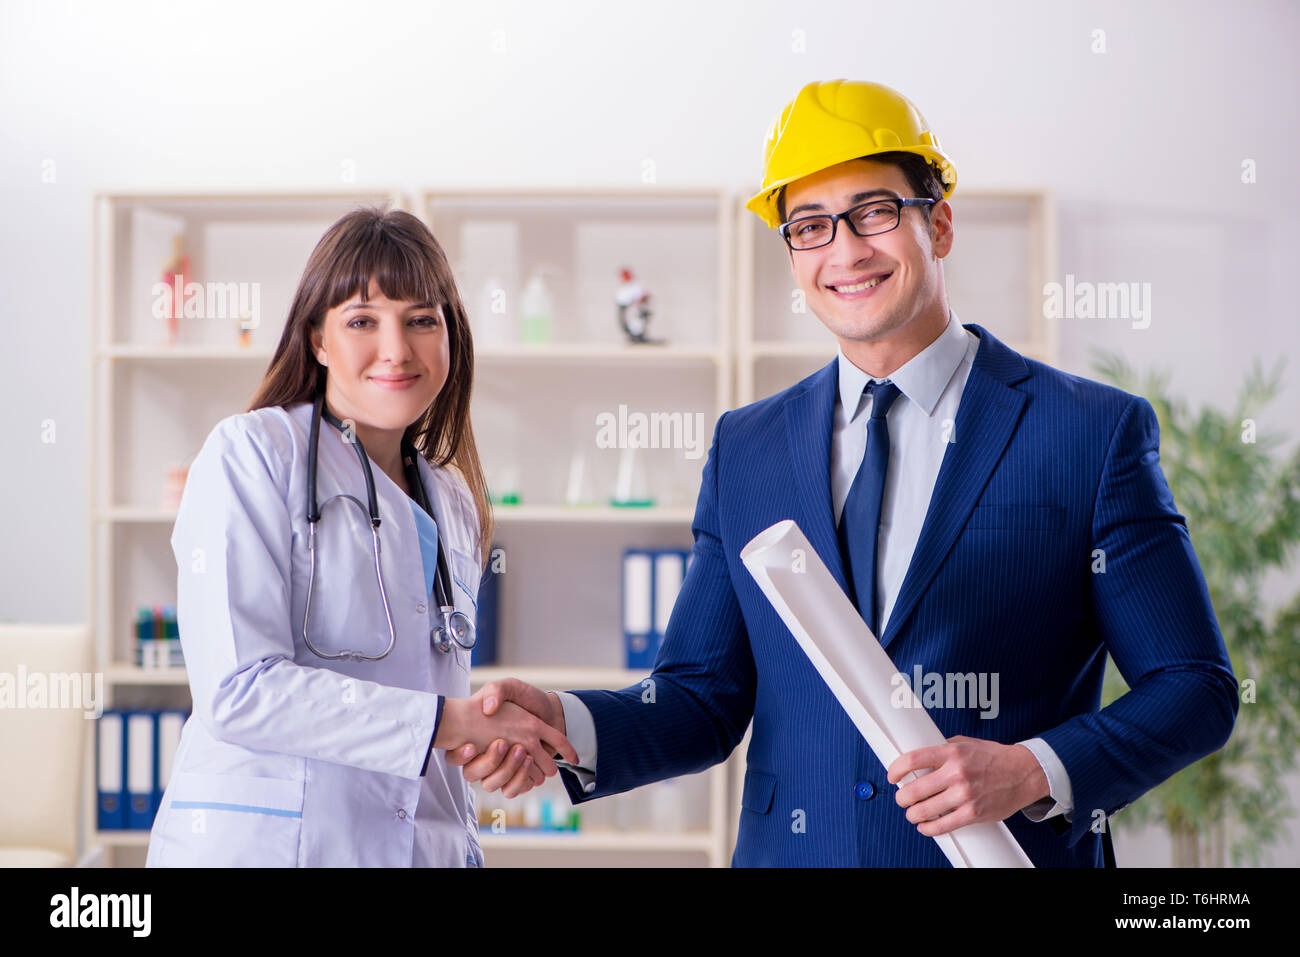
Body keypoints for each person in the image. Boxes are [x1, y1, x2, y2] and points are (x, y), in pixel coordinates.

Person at [451, 80, 1238, 867]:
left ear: (941, 223)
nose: (846, 250)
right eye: (811, 226)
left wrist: (1030, 768)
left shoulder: (1089, 432)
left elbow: (1194, 686)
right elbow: (700, 697)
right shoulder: (747, 448)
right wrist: (562, 721)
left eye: (875, 212)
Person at [146, 208, 576, 868]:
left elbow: (425, 707)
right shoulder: (252, 454)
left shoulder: (452, 499)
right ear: (317, 337)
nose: (397, 348)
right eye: (362, 320)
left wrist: (491, 744)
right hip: (267, 848)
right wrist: (449, 721)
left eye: (421, 320)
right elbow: (238, 688)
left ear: (450, 337)